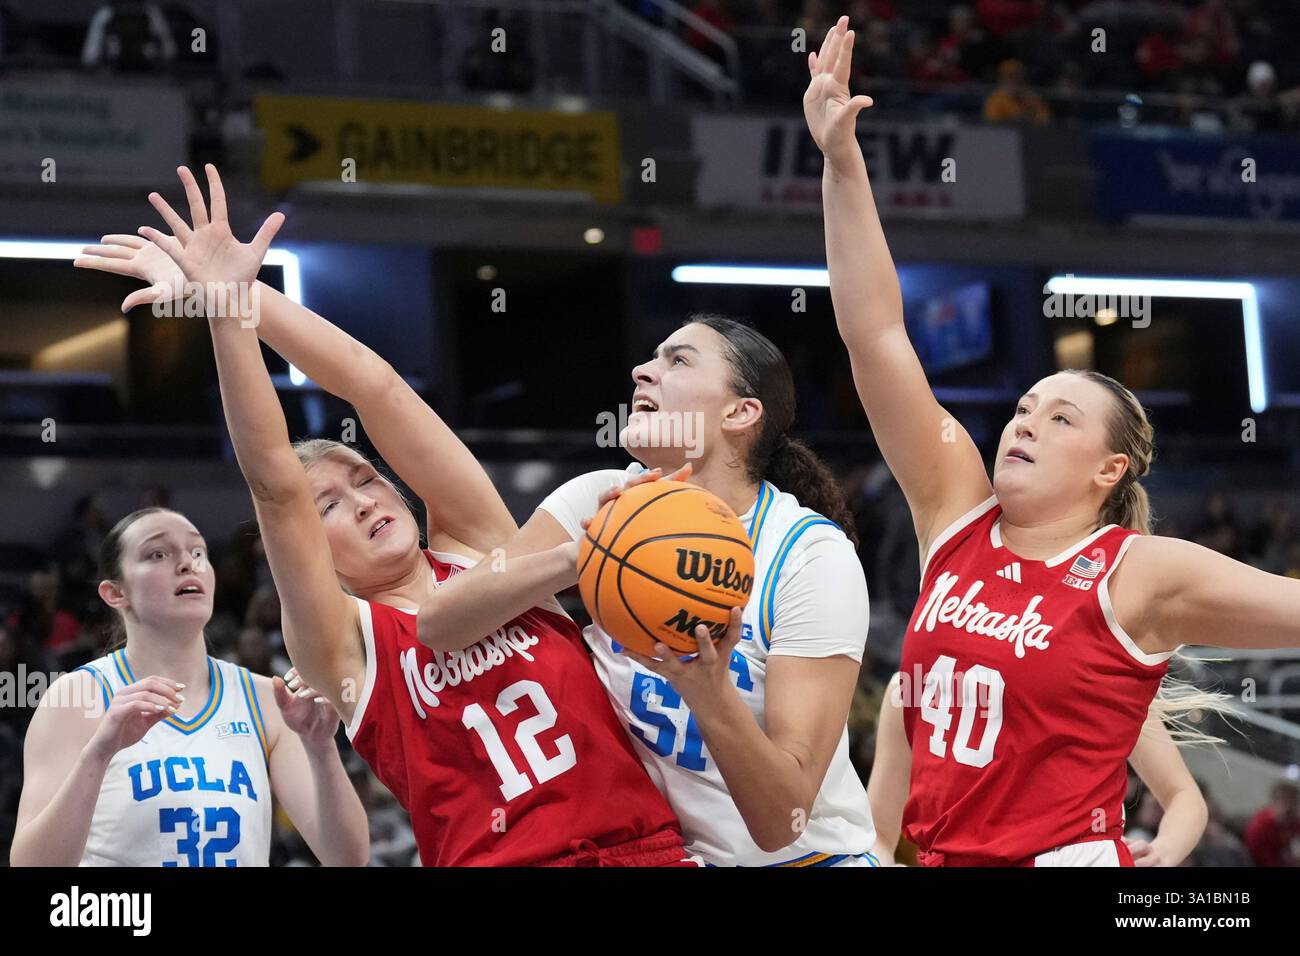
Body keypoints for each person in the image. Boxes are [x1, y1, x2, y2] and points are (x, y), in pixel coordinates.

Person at [807, 15, 1300, 866]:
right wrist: (843, 164)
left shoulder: (1138, 572)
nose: (1027, 422)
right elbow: (876, 334)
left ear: (1111, 469)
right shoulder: (954, 513)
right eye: (1026, 407)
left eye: (1060, 417)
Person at [109, 165, 692, 867]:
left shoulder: (483, 548)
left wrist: (246, 293)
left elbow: (374, 385)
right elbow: (272, 484)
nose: (364, 500)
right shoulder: (346, 645)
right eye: (328, 505)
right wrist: (227, 316)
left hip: (650, 853)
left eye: (365, 479)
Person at [409, 313, 879, 867]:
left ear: (740, 411)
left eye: (677, 360)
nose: (641, 371)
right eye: (652, 358)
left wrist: (710, 692)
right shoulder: (601, 497)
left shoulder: (809, 554)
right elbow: (438, 623)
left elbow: (783, 822)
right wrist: (578, 556)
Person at [10, 507, 368, 866]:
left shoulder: (267, 700)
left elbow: (347, 858)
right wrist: (100, 753)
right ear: (116, 593)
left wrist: (321, 749)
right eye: (158, 554)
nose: (188, 563)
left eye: (198, 552)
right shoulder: (77, 698)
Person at [867, 672, 1208, 866]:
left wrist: (1162, 852)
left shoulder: (1095, 681)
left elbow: (1184, 796)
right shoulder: (911, 688)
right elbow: (879, 835)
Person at [1242, 780, 1299, 867]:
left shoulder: (1293, 823)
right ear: (1274, 802)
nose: (1289, 807)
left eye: (1293, 803)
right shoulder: (1260, 828)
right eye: (1285, 802)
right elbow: (1260, 860)